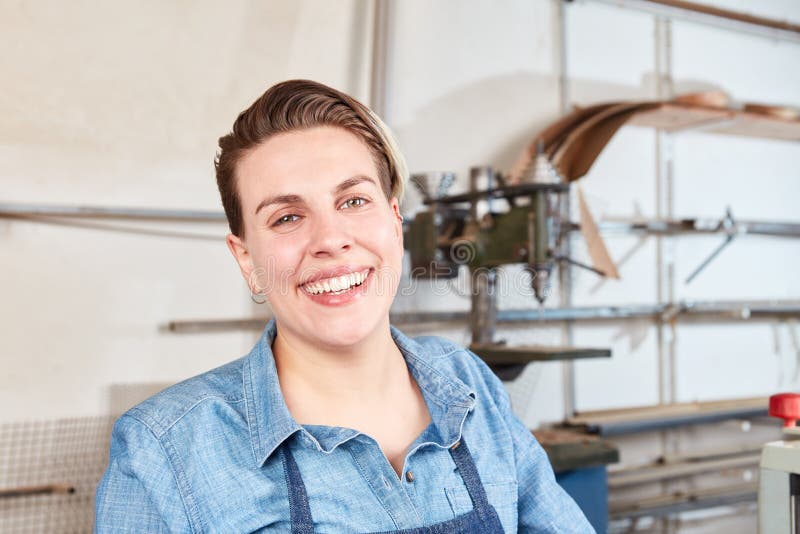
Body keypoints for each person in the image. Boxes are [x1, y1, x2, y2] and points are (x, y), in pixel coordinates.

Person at [94, 79, 593, 533]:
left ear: (395, 223)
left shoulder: (468, 385)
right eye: (288, 217)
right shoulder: (165, 452)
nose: (330, 239)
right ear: (246, 258)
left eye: (353, 201)